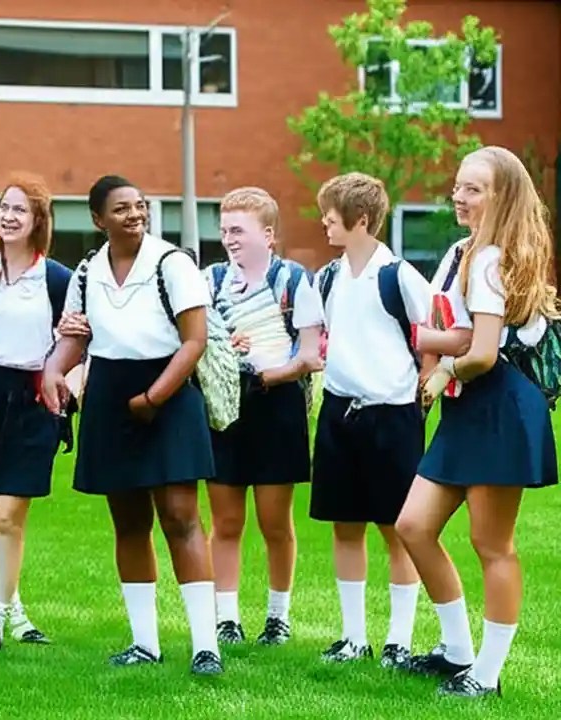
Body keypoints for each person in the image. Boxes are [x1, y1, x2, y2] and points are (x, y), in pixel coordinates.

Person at [41, 175, 222, 676]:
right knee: (128, 522)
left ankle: (206, 646)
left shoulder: (173, 263)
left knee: (181, 516)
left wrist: (153, 397)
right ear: (99, 220)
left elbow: (194, 341)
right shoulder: (86, 272)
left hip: (167, 390)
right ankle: (146, 643)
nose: (134, 215)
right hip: (111, 396)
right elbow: (75, 337)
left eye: (140, 206)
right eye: (121, 209)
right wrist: (55, 369)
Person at [397, 146, 559, 698]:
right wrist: (437, 345)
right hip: (471, 405)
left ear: (502, 197)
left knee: (492, 545)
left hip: (498, 404)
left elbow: (484, 351)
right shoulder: (464, 250)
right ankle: (456, 652)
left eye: (474, 189)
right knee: (414, 526)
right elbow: (444, 328)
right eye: (458, 186)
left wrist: (439, 363)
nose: (459, 196)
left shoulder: (492, 258)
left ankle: (485, 676)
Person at [310, 172, 427, 667]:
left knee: (396, 529)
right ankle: (354, 637)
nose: (323, 224)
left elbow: (429, 339)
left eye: (331, 217)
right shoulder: (327, 277)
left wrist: (425, 391)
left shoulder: (398, 276)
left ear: (360, 220)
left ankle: (399, 640)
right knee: (346, 526)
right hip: (340, 412)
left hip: (393, 416)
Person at [0, 174, 71, 651]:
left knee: (9, 517)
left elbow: (76, 343)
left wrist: (65, 387)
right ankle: (17, 611)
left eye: (20, 209)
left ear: (38, 220)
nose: (8, 216)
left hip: (32, 401)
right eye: (4, 207)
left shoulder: (57, 278)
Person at [202, 187, 323, 646]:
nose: (229, 239)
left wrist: (273, 373)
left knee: (275, 521)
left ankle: (278, 616)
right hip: (226, 406)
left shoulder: (294, 280)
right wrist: (222, 351)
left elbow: (310, 355)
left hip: (278, 406)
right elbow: (195, 343)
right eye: (225, 230)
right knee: (226, 520)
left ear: (268, 234)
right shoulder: (209, 281)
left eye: (239, 230)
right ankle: (226, 619)